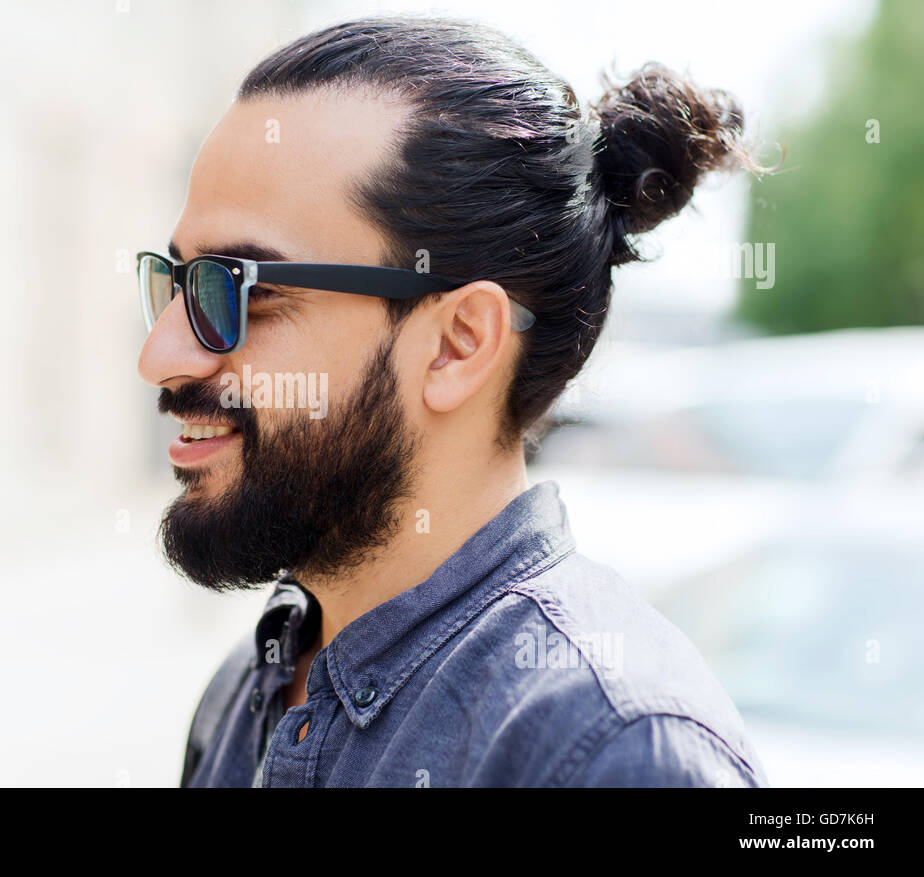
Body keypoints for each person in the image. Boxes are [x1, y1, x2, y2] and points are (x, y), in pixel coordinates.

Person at [135, 15, 770, 787]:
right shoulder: (253, 684)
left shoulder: (615, 751)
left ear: (458, 344)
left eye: (240, 290)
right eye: (178, 284)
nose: (160, 356)